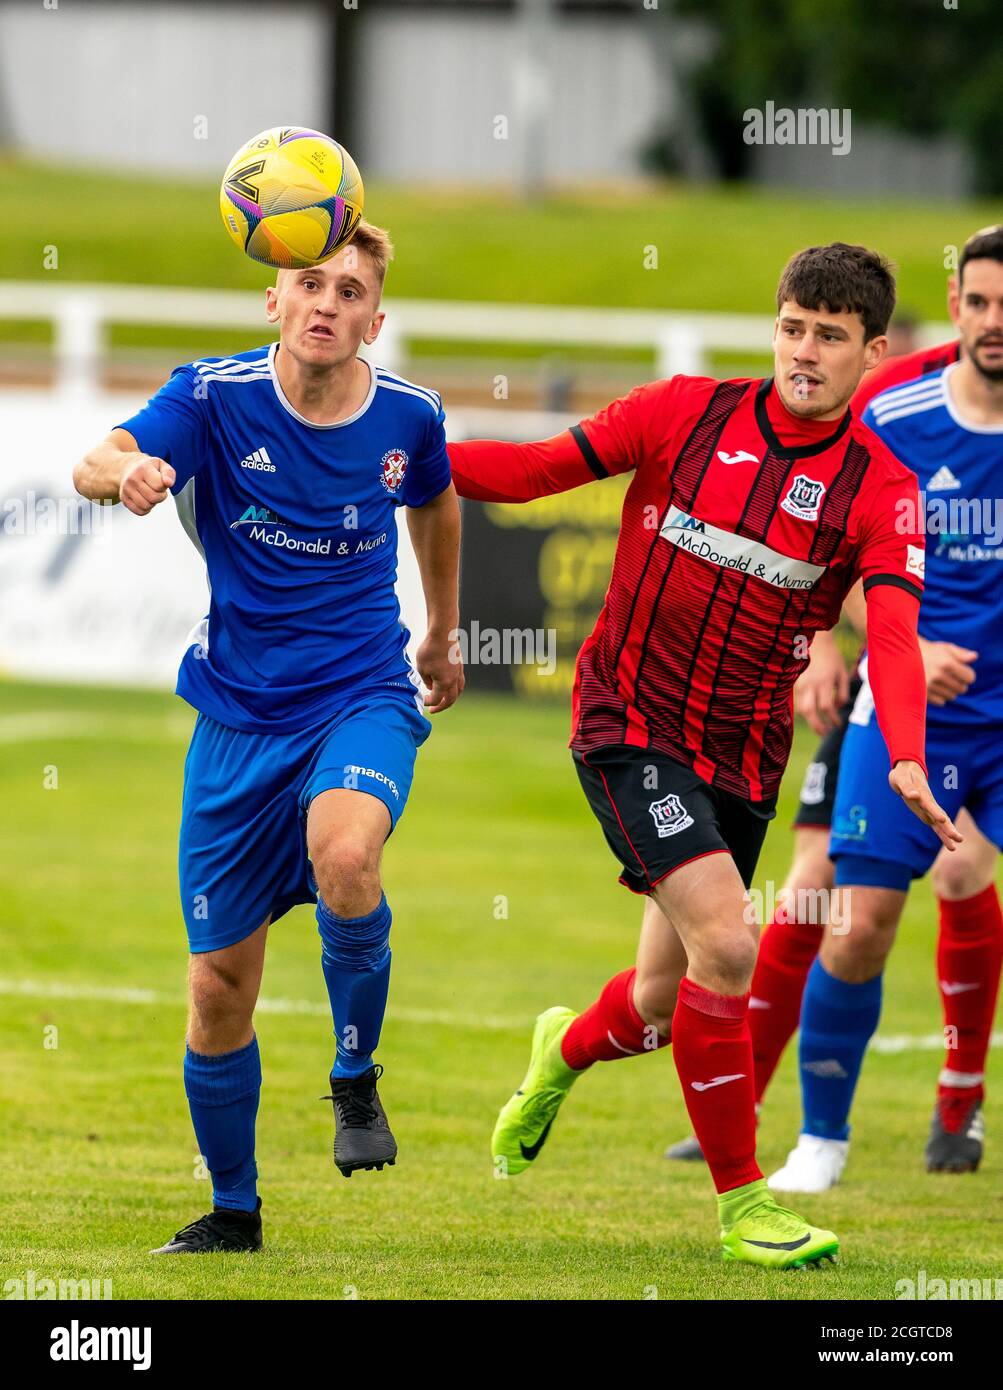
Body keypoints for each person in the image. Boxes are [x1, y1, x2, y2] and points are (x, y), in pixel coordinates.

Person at [449, 242, 959, 1268]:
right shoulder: (684, 411)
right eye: (792, 327)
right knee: (729, 947)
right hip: (626, 722)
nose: (804, 352)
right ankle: (745, 1207)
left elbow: (896, 638)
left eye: (830, 337)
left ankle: (562, 1048)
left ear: (872, 352)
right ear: (773, 324)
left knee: (655, 1007)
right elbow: (537, 468)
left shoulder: (882, 489)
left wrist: (902, 750)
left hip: (741, 755)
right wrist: (401, 451)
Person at [73, 223, 463, 1253]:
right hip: (238, 719)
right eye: (308, 283)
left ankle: (353, 1077)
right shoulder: (214, 398)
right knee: (214, 991)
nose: (326, 302)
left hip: (363, 695)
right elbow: (99, 456)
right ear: (274, 302)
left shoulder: (409, 416)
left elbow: (437, 501)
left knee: (347, 855)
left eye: (349, 288)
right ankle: (234, 1212)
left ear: (376, 318)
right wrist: (125, 475)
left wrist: (443, 630)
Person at [770, 225, 1003, 1192]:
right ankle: (819, 1140)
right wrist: (851, 644)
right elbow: (820, 541)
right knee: (851, 920)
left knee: (960, 885)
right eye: (980, 303)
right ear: (953, 304)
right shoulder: (889, 408)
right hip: (909, 713)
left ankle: (959, 1093)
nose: (995, 325)